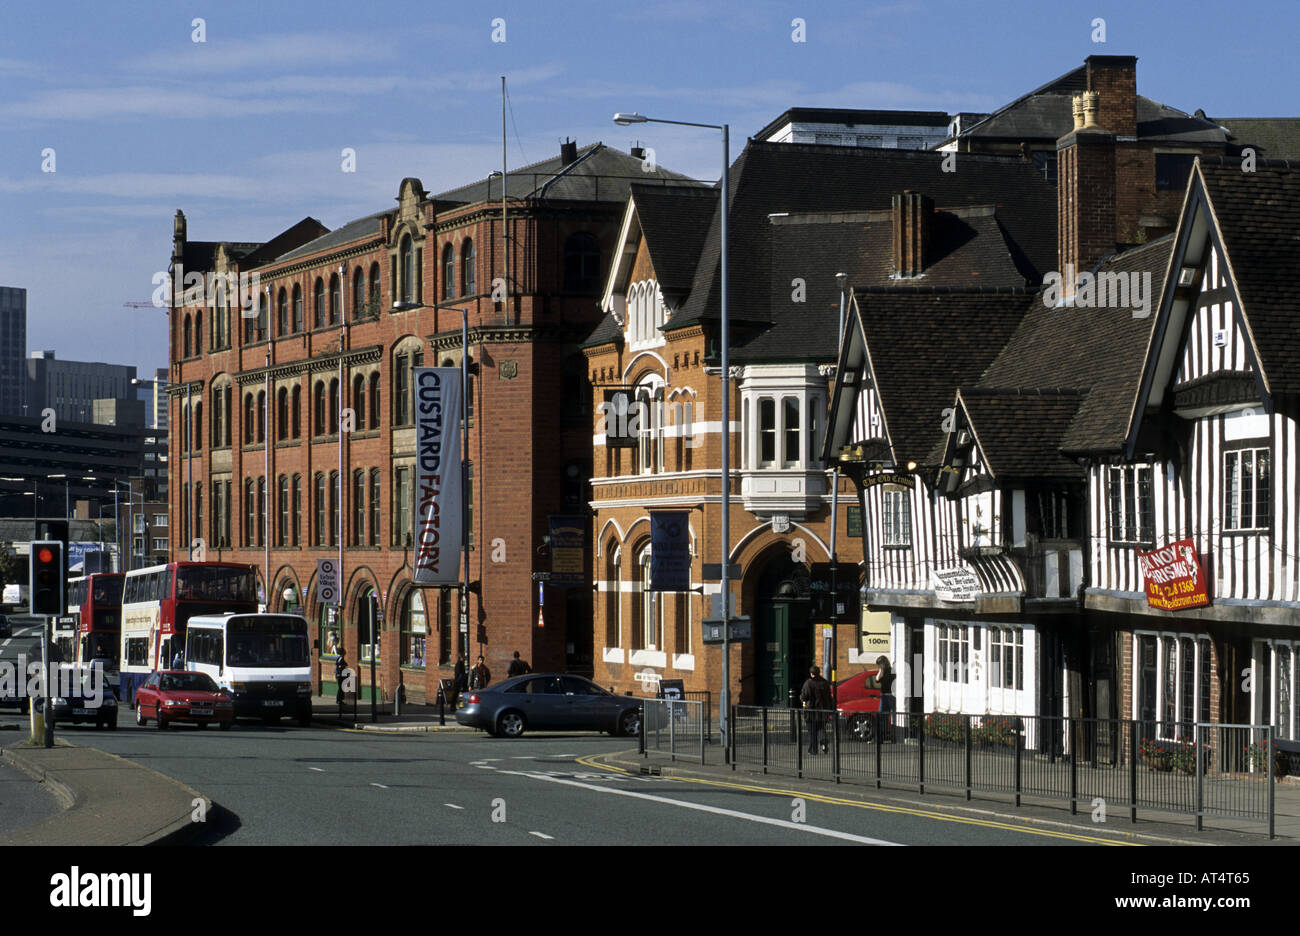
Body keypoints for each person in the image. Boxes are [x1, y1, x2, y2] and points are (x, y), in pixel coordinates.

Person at [799, 665, 834, 755]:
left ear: (811, 674)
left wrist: (802, 699)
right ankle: (824, 742)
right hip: (823, 711)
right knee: (821, 728)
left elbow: (804, 696)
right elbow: (829, 697)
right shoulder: (825, 683)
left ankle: (813, 750)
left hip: (811, 711)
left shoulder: (808, 683)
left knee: (812, 731)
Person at [335, 651, 349, 715]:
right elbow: (339, 666)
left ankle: (339, 700)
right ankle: (339, 700)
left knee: (341, 687)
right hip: (340, 675)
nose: (344, 655)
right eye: (344, 654)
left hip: (339, 675)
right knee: (341, 688)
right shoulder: (340, 659)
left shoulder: (339, 658)